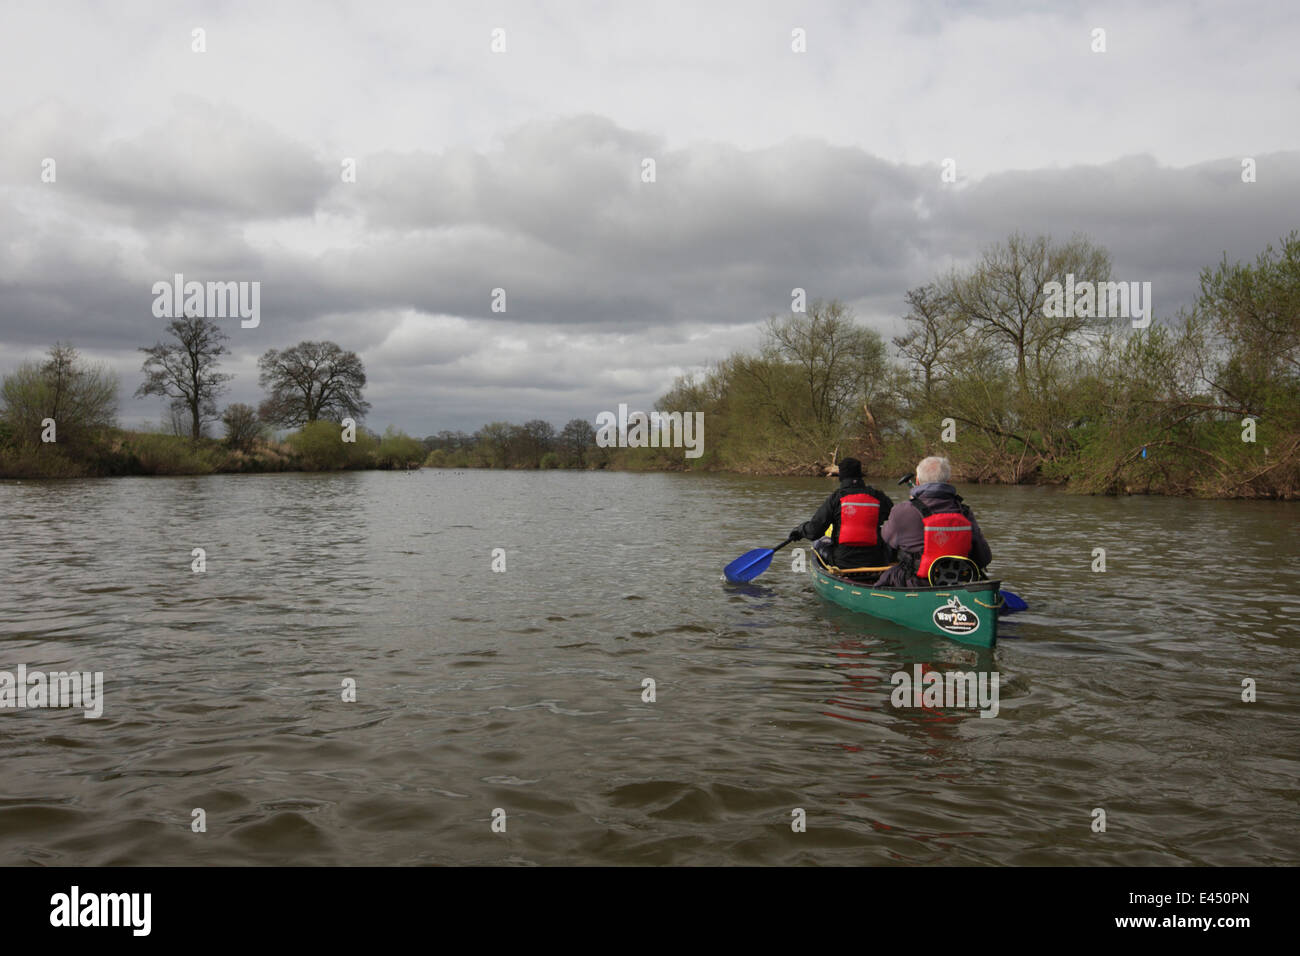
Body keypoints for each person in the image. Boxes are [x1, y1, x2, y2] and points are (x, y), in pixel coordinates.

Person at [875, 456, 992, 588]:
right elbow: (984, 558)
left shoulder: (901, 511)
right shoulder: (964, 512)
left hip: (916, 583)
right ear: (948, 481)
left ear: (917, 481)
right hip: (957, 583)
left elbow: (886, 539)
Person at [789, 458, 894, 573]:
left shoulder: (836, 498)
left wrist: (800, 530)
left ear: (841, 476)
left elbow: (814, 531)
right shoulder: (878, 496)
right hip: (876, 560)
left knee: (818, 543)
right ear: (860, 475)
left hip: (842, 562)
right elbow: (895, 519)